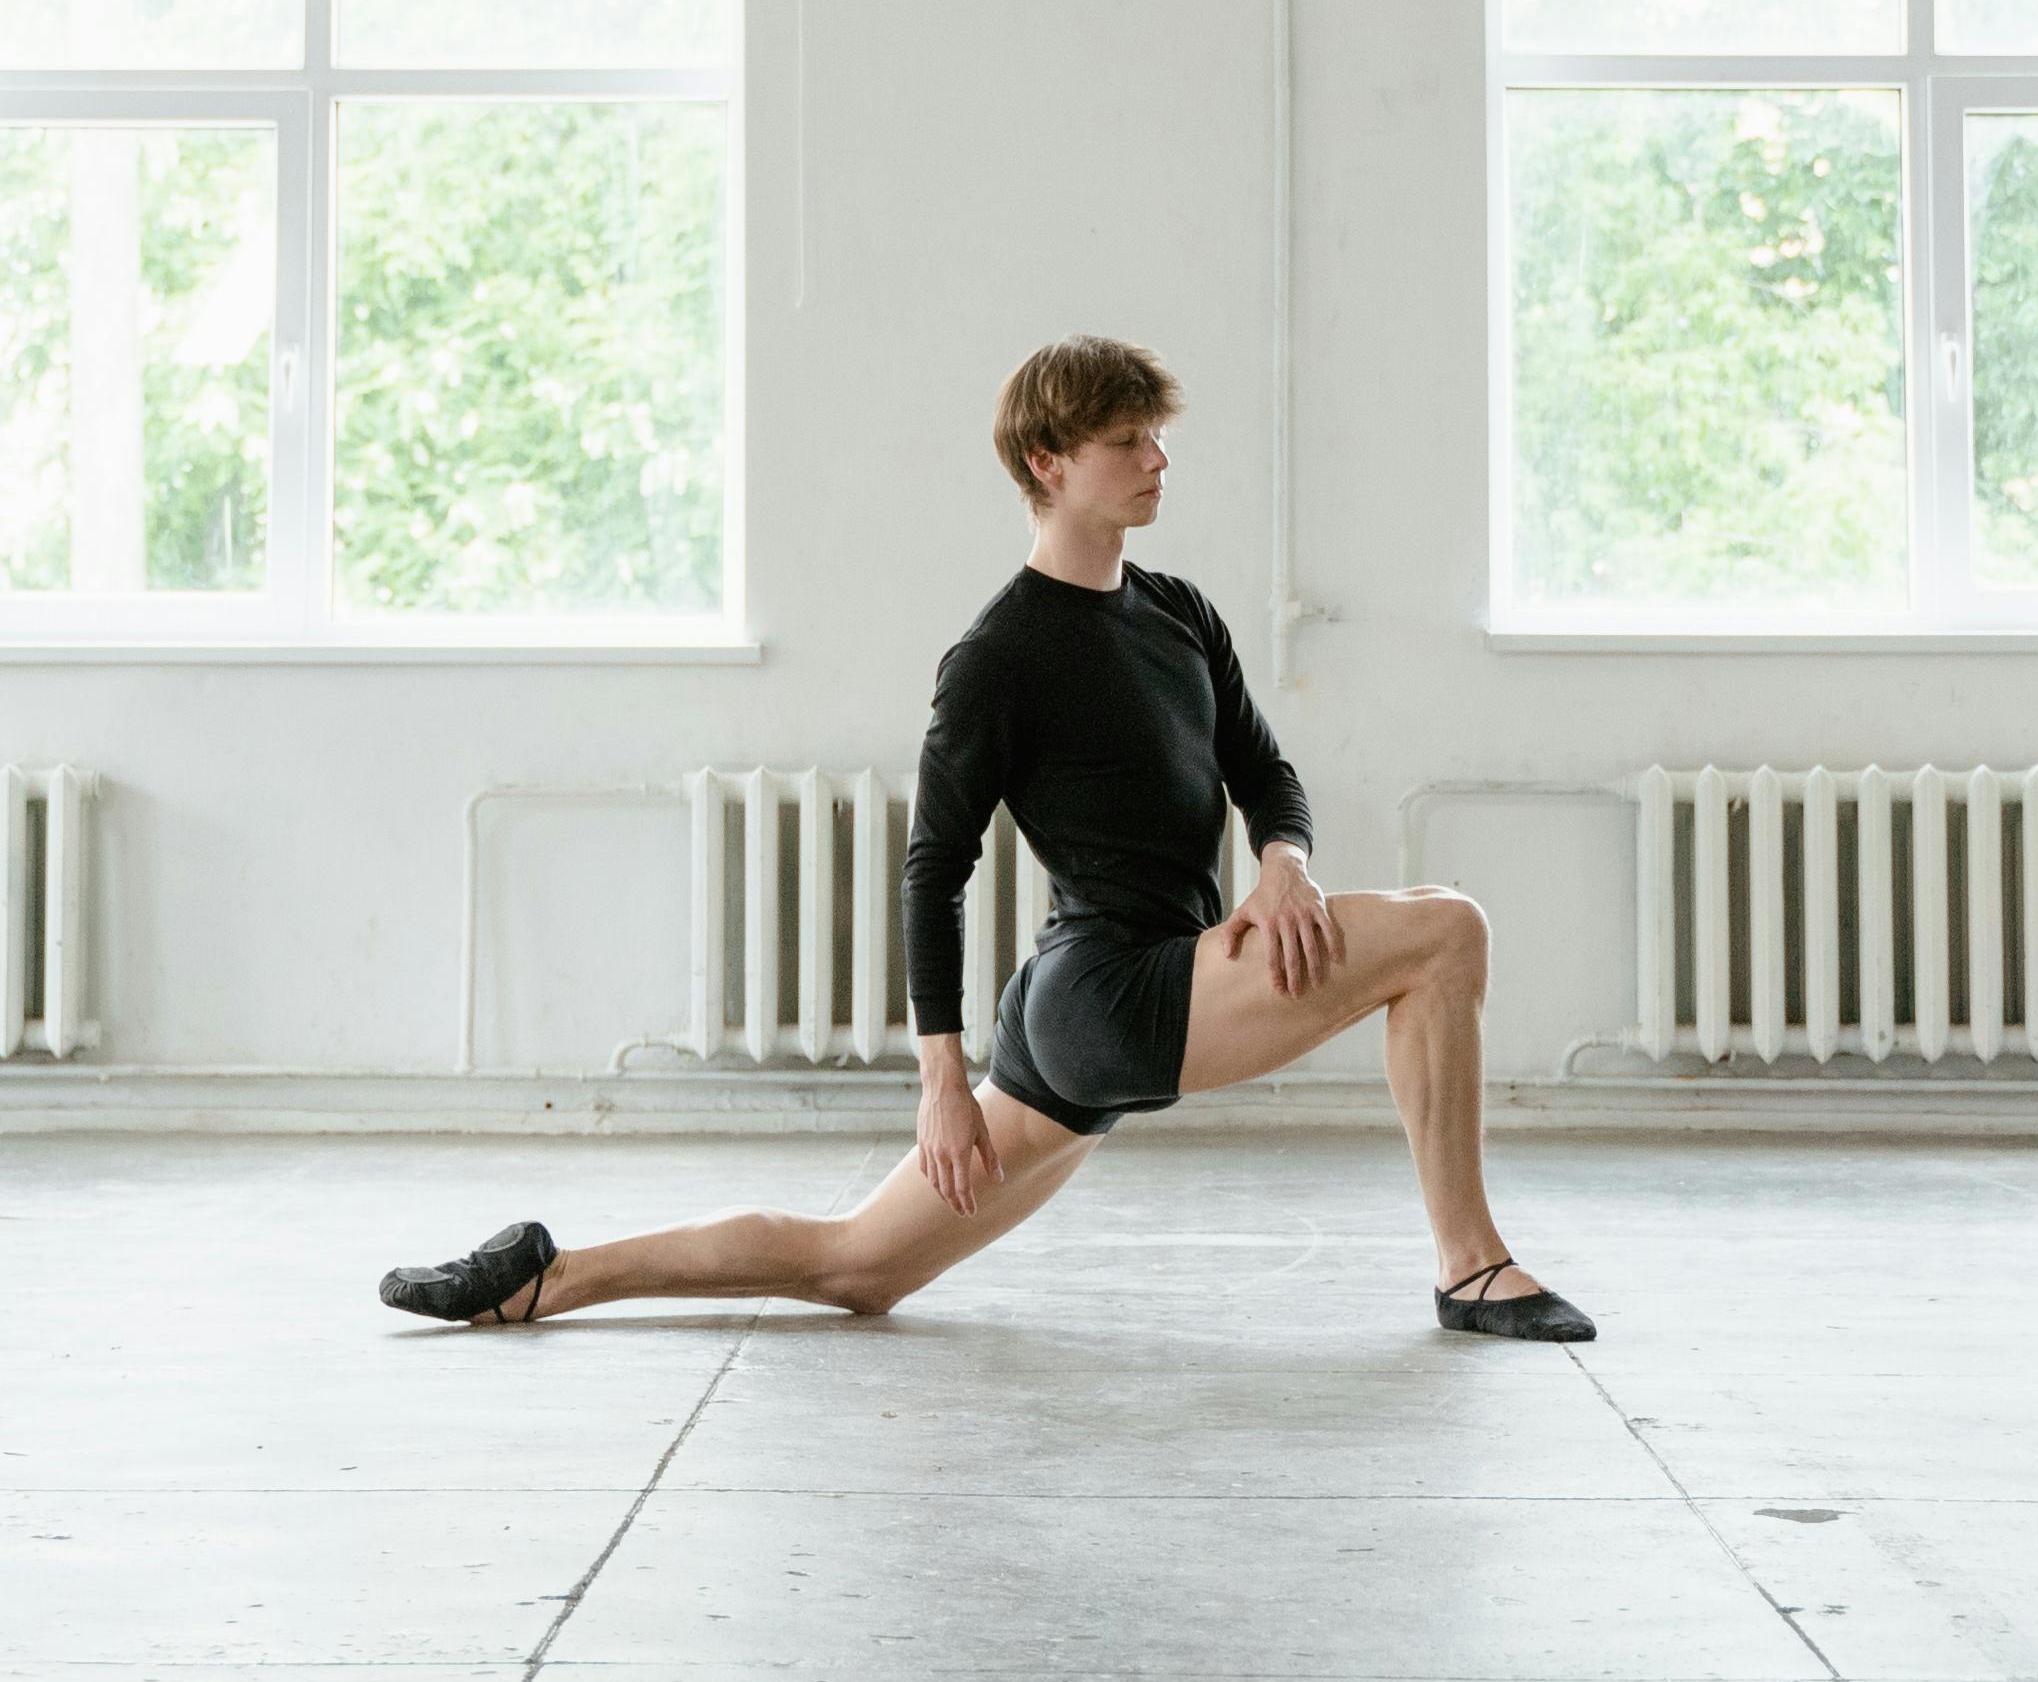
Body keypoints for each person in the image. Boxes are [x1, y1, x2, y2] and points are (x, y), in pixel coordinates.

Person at [377, 336, 1592, 1340]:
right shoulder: (1000, 655)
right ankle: (1470, 1265)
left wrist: (1287, 859)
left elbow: (1265, 771)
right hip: (1106, 998)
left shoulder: (1178, 612)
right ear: (1047, 460)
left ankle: (554, 1271)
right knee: (1447, 931)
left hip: (1136, 991)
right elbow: (933, 869)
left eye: (1159, 436)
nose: (1156, 459)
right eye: (1127, 443)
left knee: (858, 1267)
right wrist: (942, 1083)